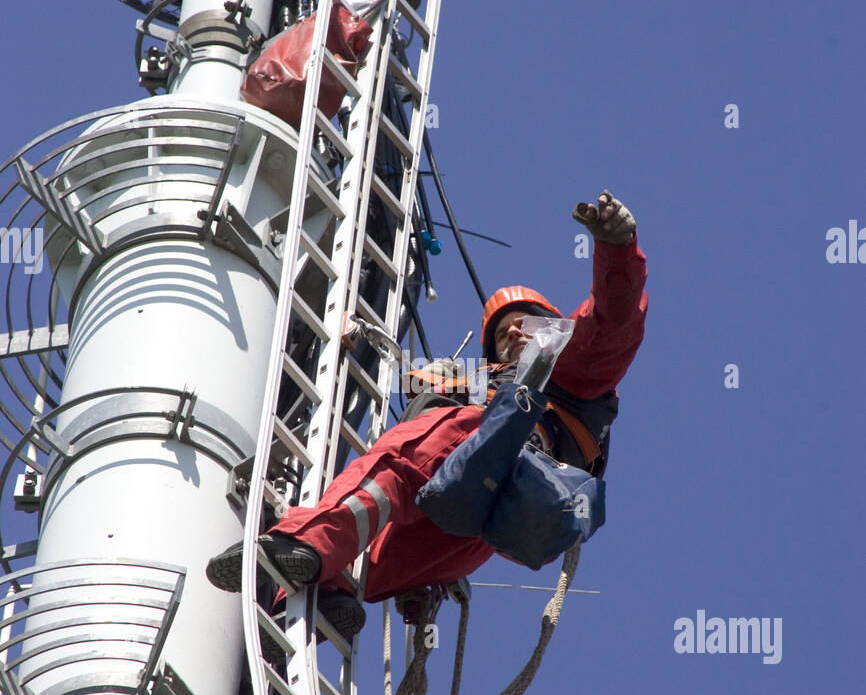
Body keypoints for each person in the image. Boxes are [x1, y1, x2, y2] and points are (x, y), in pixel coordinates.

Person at [207, 191, 648, 639]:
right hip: (475, 518)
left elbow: (612, 322)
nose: (514, 330)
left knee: (400, 460)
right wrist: (358, 346)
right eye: (500, 333)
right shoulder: (471, 381)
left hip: (495, 456)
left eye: (527, 322)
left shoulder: (568, 364)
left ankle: (302, 545)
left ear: (552, 327)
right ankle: (316, 601)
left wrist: (617, 249)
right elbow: (402, 375)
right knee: (374, 560)